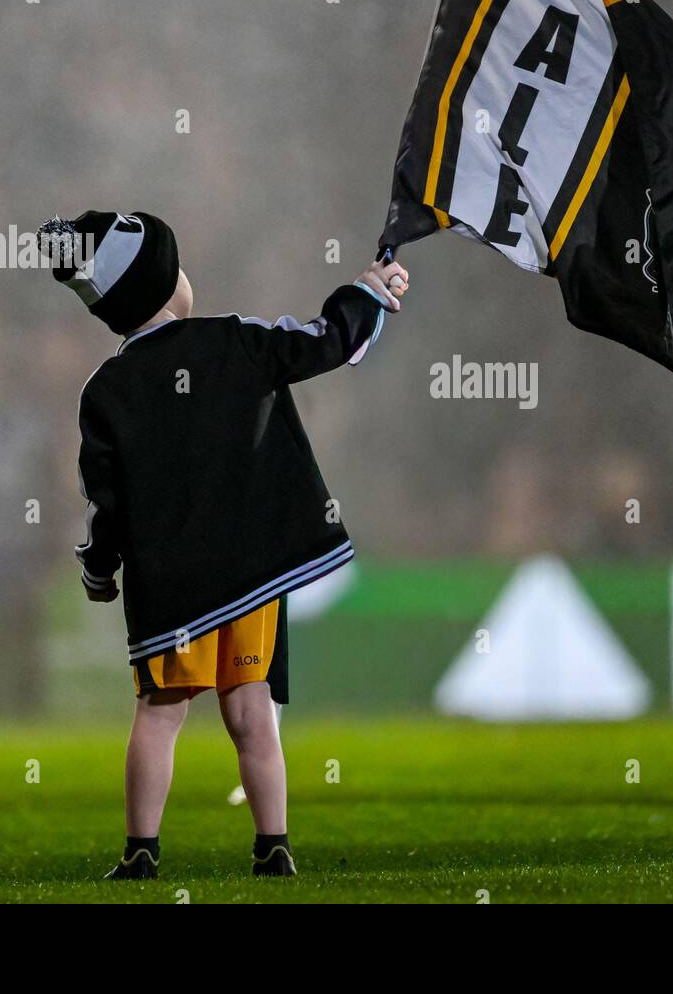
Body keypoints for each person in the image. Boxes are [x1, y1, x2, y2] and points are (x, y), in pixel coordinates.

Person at [38, 210, 408, 880]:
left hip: (172, 592)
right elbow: (325, 342)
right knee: (252, 712)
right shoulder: (235, 341)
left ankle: (142, 852)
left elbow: (105, 505)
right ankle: (274, 846)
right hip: (251, 578)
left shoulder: (106, 391)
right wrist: (368, 289)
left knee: (158, 715)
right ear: (161, 285)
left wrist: (98, 571)